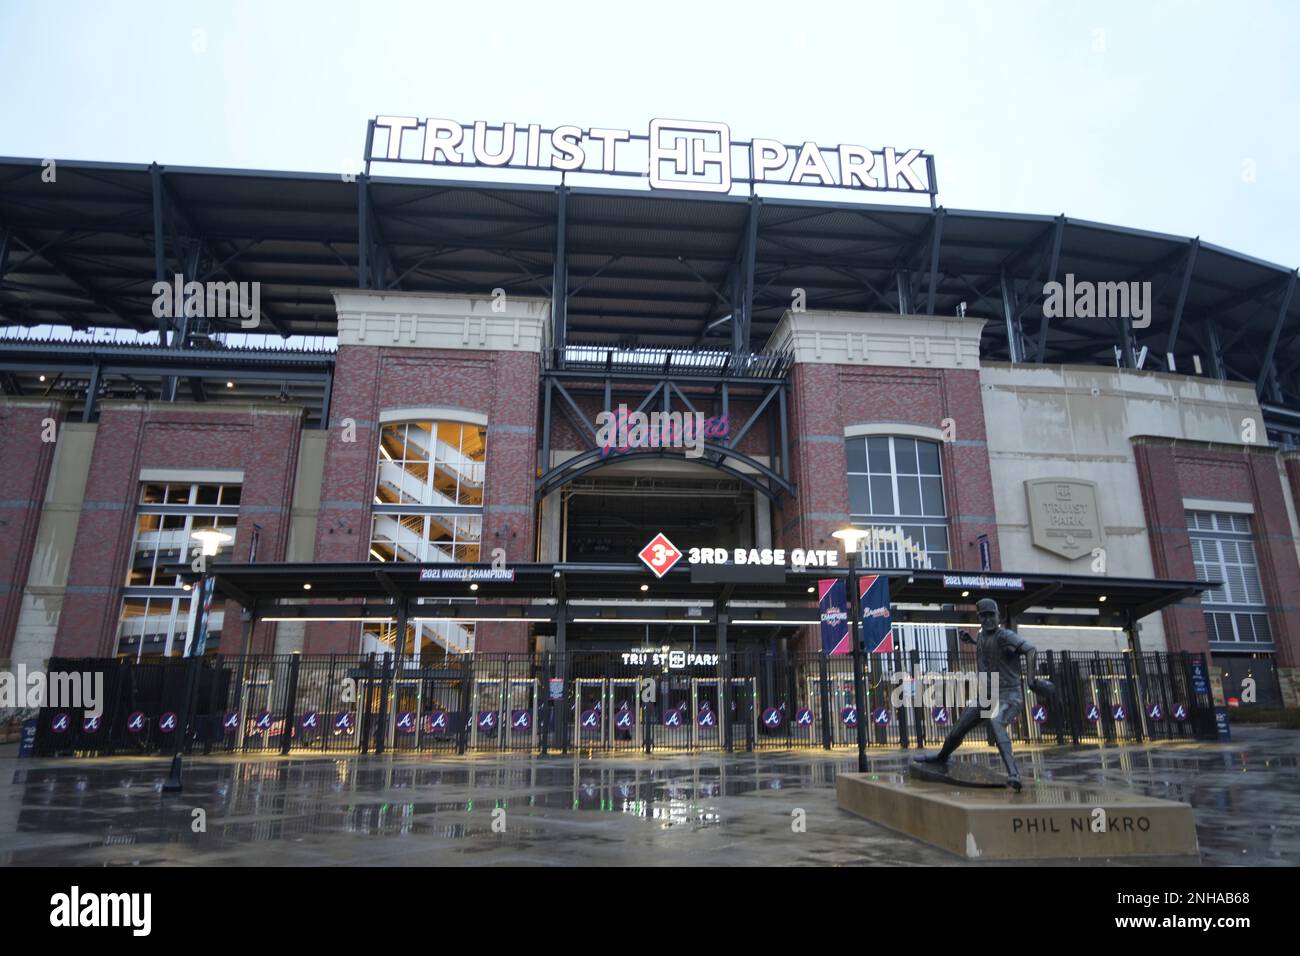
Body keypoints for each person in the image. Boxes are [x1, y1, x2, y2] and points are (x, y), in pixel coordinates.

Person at [914, 598, 1055, 790]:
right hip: (986, 696)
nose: (988, 619)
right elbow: (989, 650)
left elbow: (1030, 649)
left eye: (991, 615)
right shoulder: (981, 636)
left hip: (1008, 695)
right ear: (979, 617)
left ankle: (1014, 774)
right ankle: (942, 756)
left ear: (998, 616)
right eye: (984, 616)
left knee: (996, 722)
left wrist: (1031, 681)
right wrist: (970, 641)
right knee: (958, 729)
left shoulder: (1005, 635)